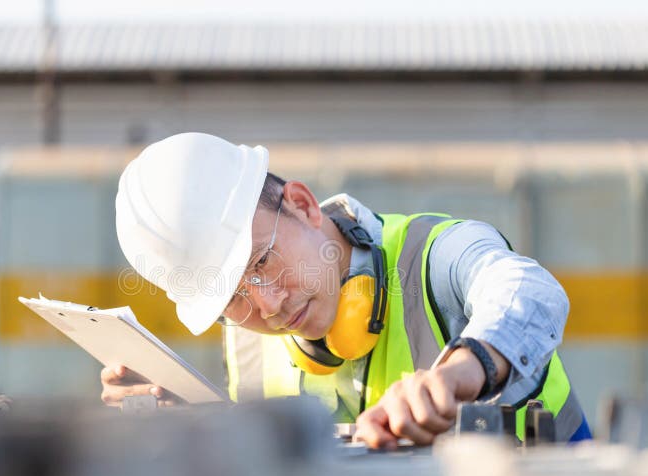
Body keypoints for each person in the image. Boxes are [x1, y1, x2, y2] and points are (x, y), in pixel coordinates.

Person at [104, 132, 592, 448]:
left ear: (302, 204)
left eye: (263, 260)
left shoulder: (434, 257)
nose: (268, 306)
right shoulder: (244, 341)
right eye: (232, 296)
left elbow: (530, 291)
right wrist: (195, 425)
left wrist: (456, 375)